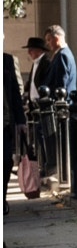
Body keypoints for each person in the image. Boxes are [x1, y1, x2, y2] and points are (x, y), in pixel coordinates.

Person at [4, 52, 26, 214]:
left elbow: (15, 92)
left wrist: (21, 120)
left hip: (5, 121)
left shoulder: (7, 60)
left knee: (6, 161)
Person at [44, 25, 77, 95]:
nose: (47, 43)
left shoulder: (62, 55)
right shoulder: (64, 53)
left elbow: (61, 83)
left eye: (49, 40)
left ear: (56, 39)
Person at [24, 37, 52, 102]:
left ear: (39, 50)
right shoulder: (35, 62)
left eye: (31, 50)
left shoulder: (46, 63)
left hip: (42, 102)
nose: (28, 52)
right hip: (33, 102)